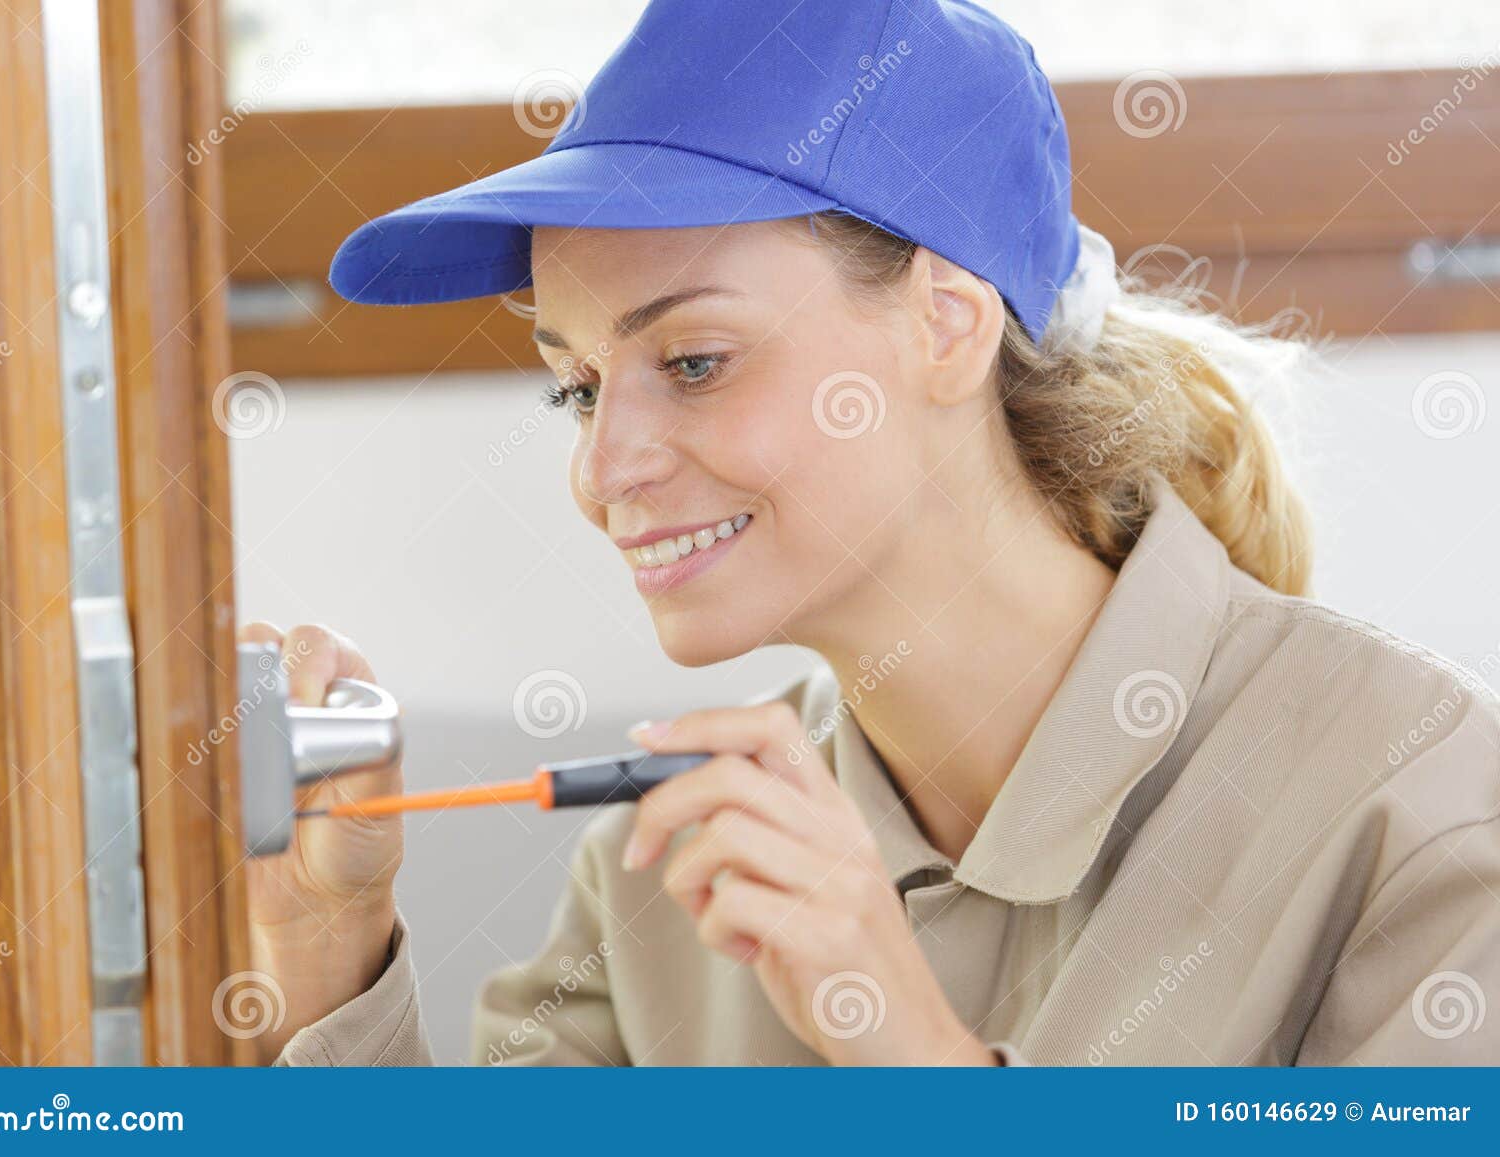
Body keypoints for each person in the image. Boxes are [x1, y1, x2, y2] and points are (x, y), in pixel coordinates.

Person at [240, 0, 1500, 1066]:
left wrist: (908, 1047)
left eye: (692, 359)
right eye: (575, 387)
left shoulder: (1416, 805)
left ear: (946, 324)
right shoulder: (662, 867)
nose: (599, 469)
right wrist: (323, 945)